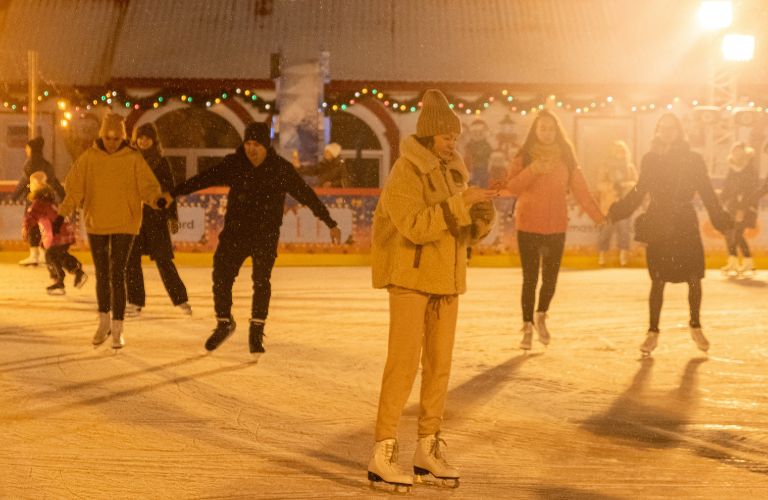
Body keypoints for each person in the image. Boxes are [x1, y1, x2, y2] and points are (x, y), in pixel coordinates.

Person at [368, 89, 496, 491]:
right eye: (444, 136)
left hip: (446, 280)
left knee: (439, 367)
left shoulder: (454, 172)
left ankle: (428, 447)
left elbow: (457, 231)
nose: (451, 143)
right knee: (403, 364)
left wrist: (480, 218)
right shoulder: (405, 173)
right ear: (427, 136)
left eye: (454, 137)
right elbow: (416, 226)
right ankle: (383, 450)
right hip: (410, 279)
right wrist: (461, 205)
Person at [170, 122, 342, 354]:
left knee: (261, 281)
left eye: (256, 145)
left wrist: (329, 221)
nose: (251, 149)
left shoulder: (280, 169)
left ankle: (256, 328)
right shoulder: (235, 164)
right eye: (248, 143)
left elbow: (306, 194)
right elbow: (204, 178)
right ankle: (224, 322)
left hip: (265, 234)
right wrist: (174, 193)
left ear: (266, 146)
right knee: (221, 274)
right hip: (235, 232)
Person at [608, 113, 731, 357]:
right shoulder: (651, 159)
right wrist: (618, 211)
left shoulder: (693, 160)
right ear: (657, 131)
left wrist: (721, 220)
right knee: (658, 279)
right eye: (662, 128)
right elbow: (640, 189)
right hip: (659, 222)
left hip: (684, 222)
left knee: (694, 277)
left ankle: (695, 325)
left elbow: (707, 191)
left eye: (671, 128)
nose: (666, 132)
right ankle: (652, 332)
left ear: (679, 131)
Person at [497, 110, 604, 350]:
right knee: (530, 278)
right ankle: (527, 327)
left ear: (557, 131)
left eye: (551, 128)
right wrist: (532, 170)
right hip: (528, 224)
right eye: (542, 128)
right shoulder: (524, 157)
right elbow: (509, 188)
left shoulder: (566, 157)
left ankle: (541, 315)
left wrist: (599, 217)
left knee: (551, 279)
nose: (547, 133)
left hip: (556, 224)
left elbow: (581, 191)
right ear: (535, 131)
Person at [58, 113, 167, 349]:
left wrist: (155, 199)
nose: (112, 142)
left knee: (117, 273)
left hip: (125, 222)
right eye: (108, 137)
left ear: (123, 137)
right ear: (101, 135)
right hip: (96, 220)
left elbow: (147, 186)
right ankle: (103, 322)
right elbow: (74, 188)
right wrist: (62, 212)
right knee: (102, 273)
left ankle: (118, 328)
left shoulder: (133, 158)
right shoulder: (89, 158)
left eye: (117, 138)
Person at [124, 123, 192, 316]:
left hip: (156, 219)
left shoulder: (161, 163)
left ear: (154, 140)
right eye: (140, 137)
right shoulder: (129, 161)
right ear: (135, 140)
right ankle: (135, 302)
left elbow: (169, 191)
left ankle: (181, 300)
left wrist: (172, 215)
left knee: (164, 260)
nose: (143, 141)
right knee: (131, 261)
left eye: (147, 138)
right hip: (134, 218)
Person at [22, 171, 87, 295]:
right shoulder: (49, 199)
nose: (29, 186)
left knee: (50, 256)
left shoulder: (39, 202)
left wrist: (25, 227)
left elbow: (30, 216)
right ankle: (77, 272)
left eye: (31, 183)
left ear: (37, 185)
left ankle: (59, 281)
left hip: (57, 234)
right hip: (64, 232)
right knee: (60, 255)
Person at [13, 137, 65, 266]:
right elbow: (55, 181)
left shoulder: (29, 163)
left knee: (32, 225)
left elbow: (24, 181)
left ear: (31, 149)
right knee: (45, 226)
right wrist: (63, 195)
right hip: (48, 200)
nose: (25, 150)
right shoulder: (47, 165)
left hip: (34, 200)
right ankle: (43, 252)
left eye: (26, 148)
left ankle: (34, 254)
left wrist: (14, 196)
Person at [596, 140, 638, 266]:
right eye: (617, 150)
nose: (620, 153)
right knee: (606, 230)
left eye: (622, 150)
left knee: (624, 231)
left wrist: (624, 186)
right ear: (612, 152)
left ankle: (623, 255)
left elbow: (636, 183)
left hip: (624, 205)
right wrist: (612, 186)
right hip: (609, 204)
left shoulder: (630, 167)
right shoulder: (605, 167)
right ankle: (602, 255)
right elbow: (599, 185)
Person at [719, 142, 759, 276]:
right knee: (729, 233)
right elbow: (727, 186)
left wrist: (742, 208)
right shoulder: (732, 168)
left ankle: (745, 261)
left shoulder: (750, 169)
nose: (736, 154)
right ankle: (735, 261)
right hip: (732, 205)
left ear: (744, 152)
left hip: (745, 206)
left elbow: (751, 190)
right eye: (734, 151)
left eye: (739, 151)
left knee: (737, 233)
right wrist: (720, 201)